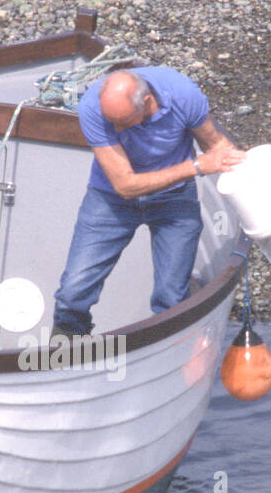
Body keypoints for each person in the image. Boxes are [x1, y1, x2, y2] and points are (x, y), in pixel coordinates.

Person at [52, 66, 245, 336]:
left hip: (174, 199)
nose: (117, 129)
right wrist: (197, 166)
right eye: (113, 122)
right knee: (73, 292)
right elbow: (125, 185)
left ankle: (170, 353)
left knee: (171, 297)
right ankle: (66, 357)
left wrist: (252, 184)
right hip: (111, 200)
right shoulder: (92, 107)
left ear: (146, 102)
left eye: (124, 121)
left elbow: (217, 146)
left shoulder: (183, 95)